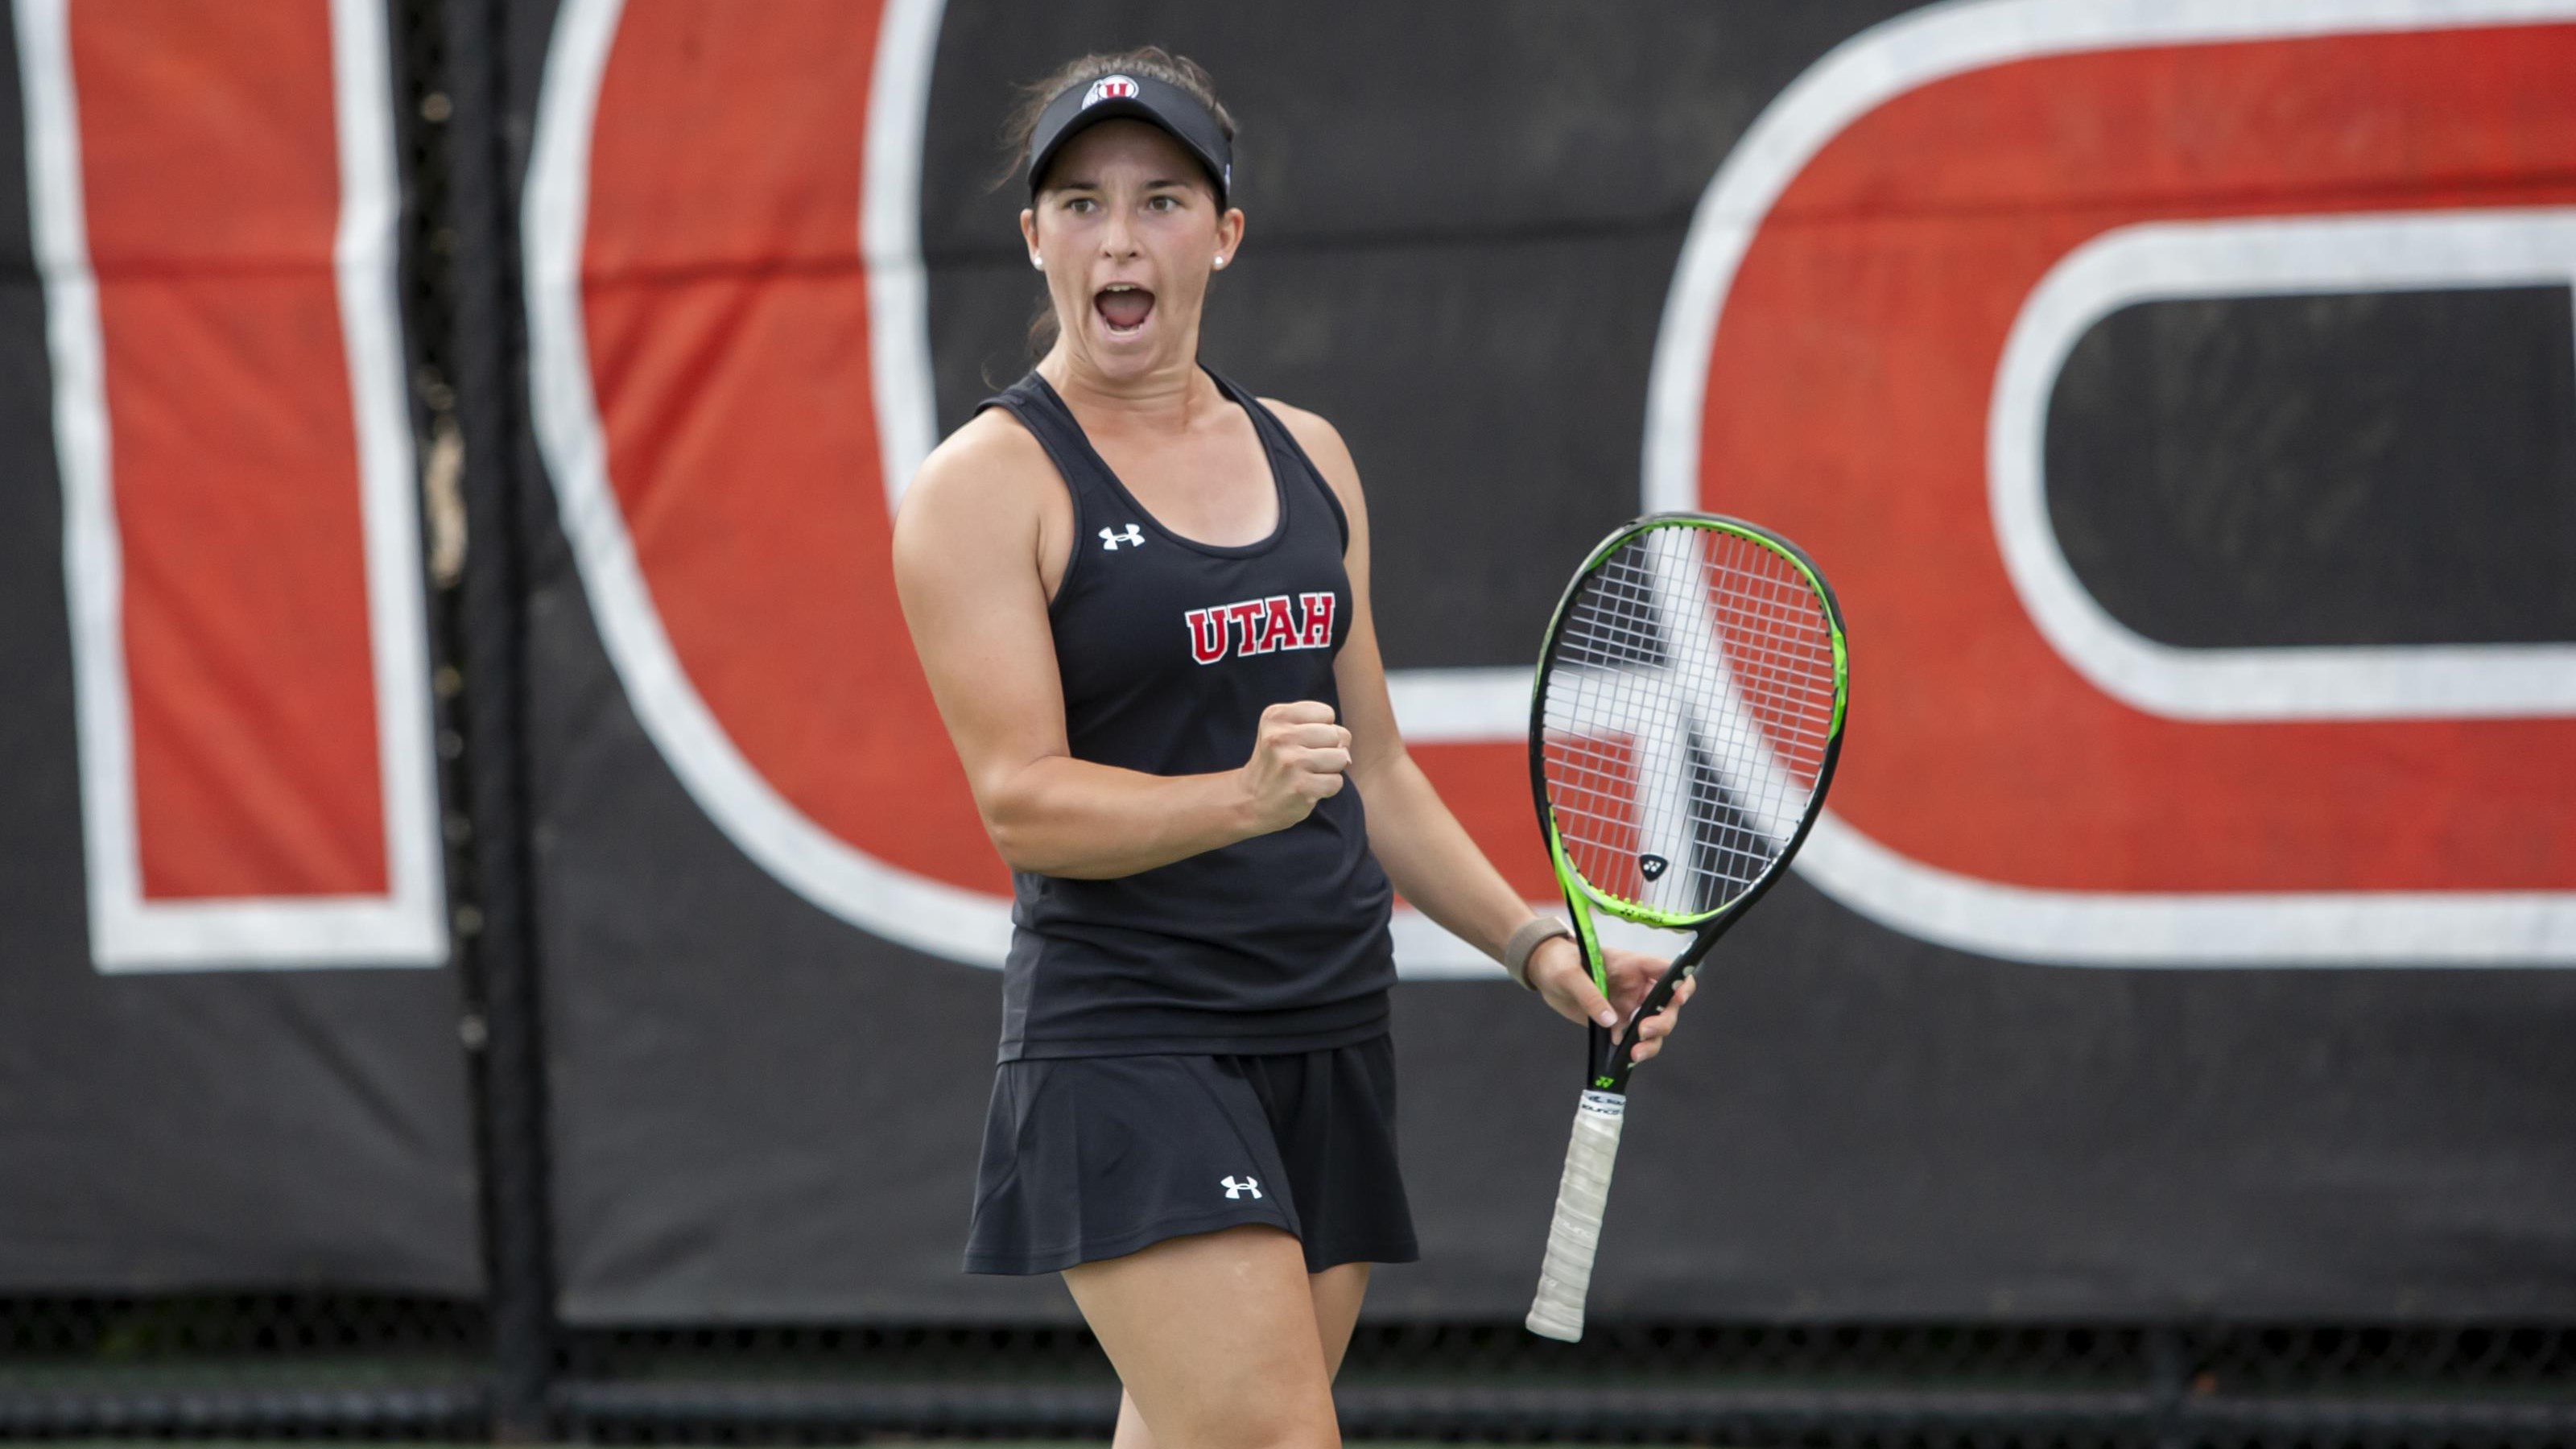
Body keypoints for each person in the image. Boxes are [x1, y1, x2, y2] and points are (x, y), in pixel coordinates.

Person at [891, 47, 1695, 1449]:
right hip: (1133, 1044)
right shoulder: (984, 488)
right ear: (1035, 240)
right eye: (1079, 204)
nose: (1119, 238)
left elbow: (1374, 770)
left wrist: (1540, 949)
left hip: (1326, 1029)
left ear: (1225, 235)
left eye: (1159, 201)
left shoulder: (1310, 457)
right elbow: (1023, 805)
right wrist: (1240, 800)